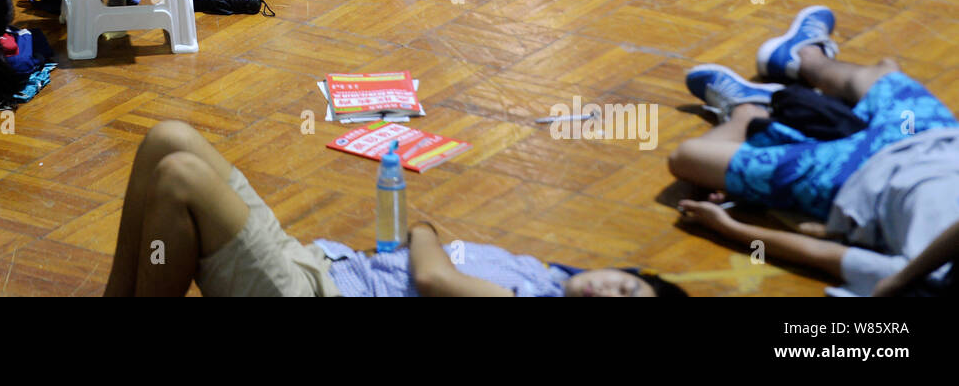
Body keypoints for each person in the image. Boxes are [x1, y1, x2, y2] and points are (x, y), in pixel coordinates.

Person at [101, 120, 687, 296]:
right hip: (321, 267)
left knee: (179, 177)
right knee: (168, 139)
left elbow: (432, 277)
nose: (610, 294)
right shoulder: (549, 275)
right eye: (627, 290)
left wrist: (424, 229)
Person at [671, 6, 959, 296]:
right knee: (884, 70)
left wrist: (727, 227)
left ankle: (749, 111)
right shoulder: (911, 278)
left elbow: (819, 255)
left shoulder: (927, 285)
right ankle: (801, 59)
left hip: (853, 181)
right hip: (932, 139)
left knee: (687, 158)